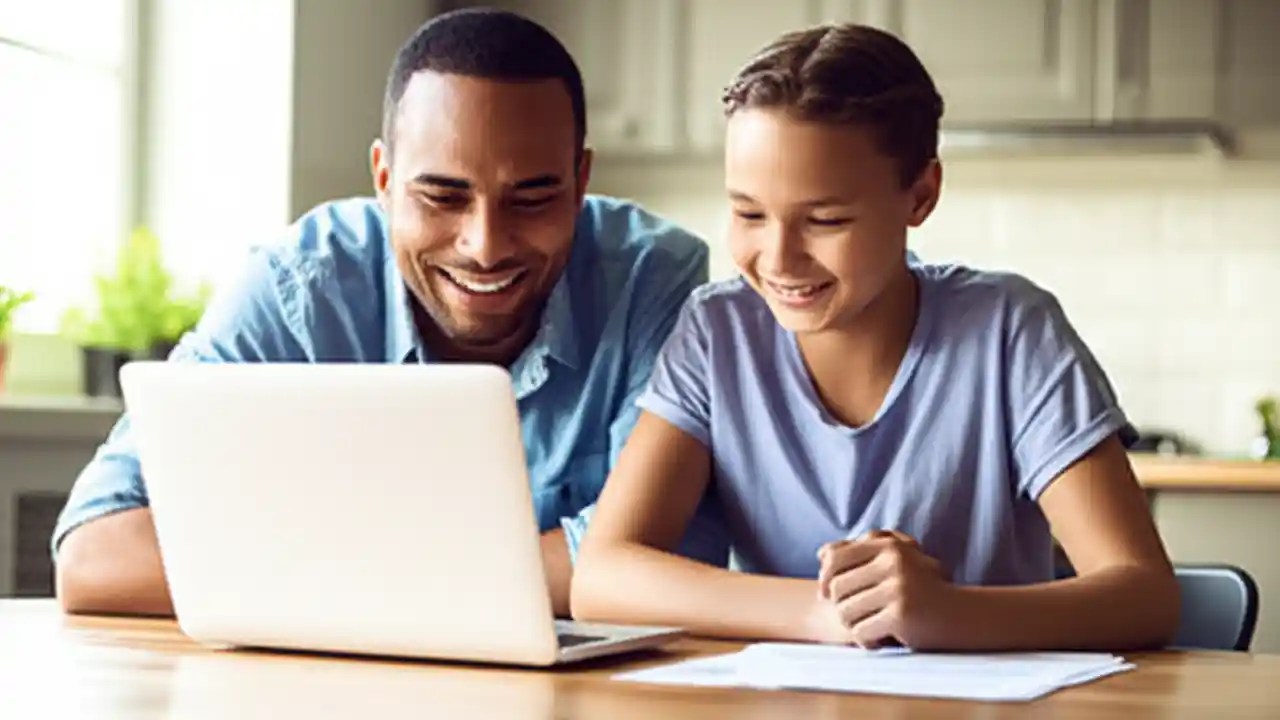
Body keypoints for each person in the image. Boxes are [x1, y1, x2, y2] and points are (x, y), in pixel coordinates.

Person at [53, 8, 726, 619]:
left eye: (532, 197)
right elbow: (95, 554)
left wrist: (316, 573)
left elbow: (669, 561)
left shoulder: (654, 280)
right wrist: (465, 581)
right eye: (441, 195)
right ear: (383, 178)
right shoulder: (299, 285)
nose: (485, 245)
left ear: (581, 181)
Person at [571, 23, 1180, 650]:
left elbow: (1145, 594)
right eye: (749, 213)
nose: (778, 258)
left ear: (921, 194)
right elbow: (602, 576)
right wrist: (825, 612)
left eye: (825, 220)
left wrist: (949, 614)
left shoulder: (1008, 331)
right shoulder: (717, 333)